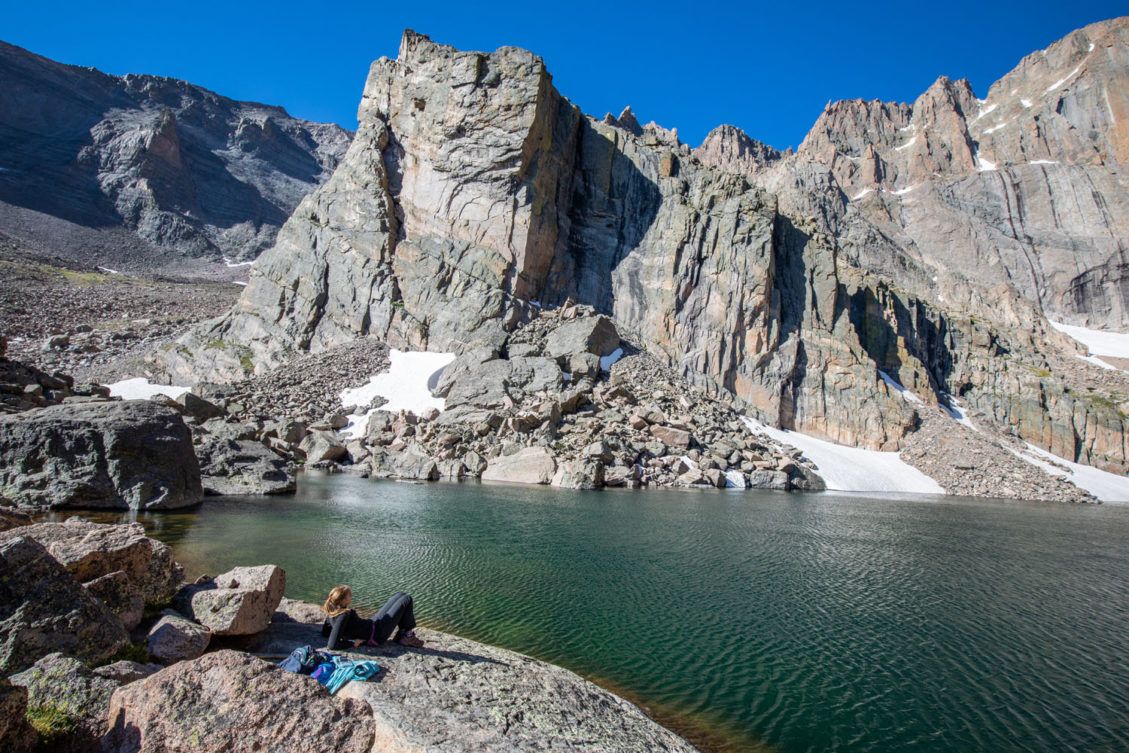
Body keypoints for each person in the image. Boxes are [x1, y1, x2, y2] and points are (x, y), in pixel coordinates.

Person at [321, 585, 424, 650]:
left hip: (372, 624)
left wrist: (345, 634)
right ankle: (407, 636)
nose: (351, 597)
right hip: (377, 634)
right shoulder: (343, 615)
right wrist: (353, 642)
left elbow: (325, 632)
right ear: (343, 601)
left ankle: (403, 634)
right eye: (349, 596)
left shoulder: (332, 612)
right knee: (407, 599)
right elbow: (332, 645)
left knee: (399, 595)